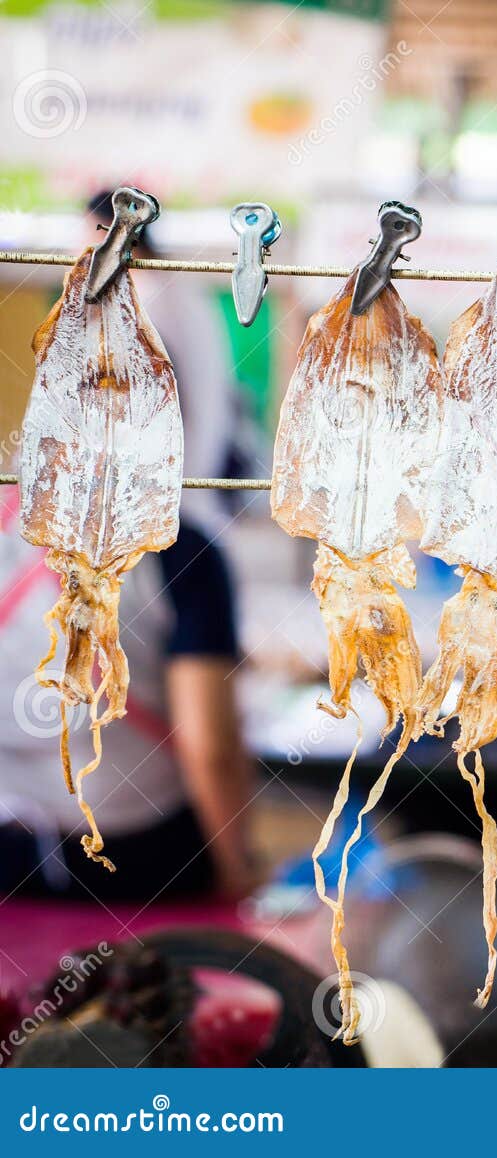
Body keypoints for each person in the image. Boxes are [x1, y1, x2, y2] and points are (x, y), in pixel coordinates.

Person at [0, 195, 258, 902]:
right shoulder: (185, 553)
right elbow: (209, 745)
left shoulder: (10, 519)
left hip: (10, 852)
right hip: (132, 853)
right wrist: (241, 873)